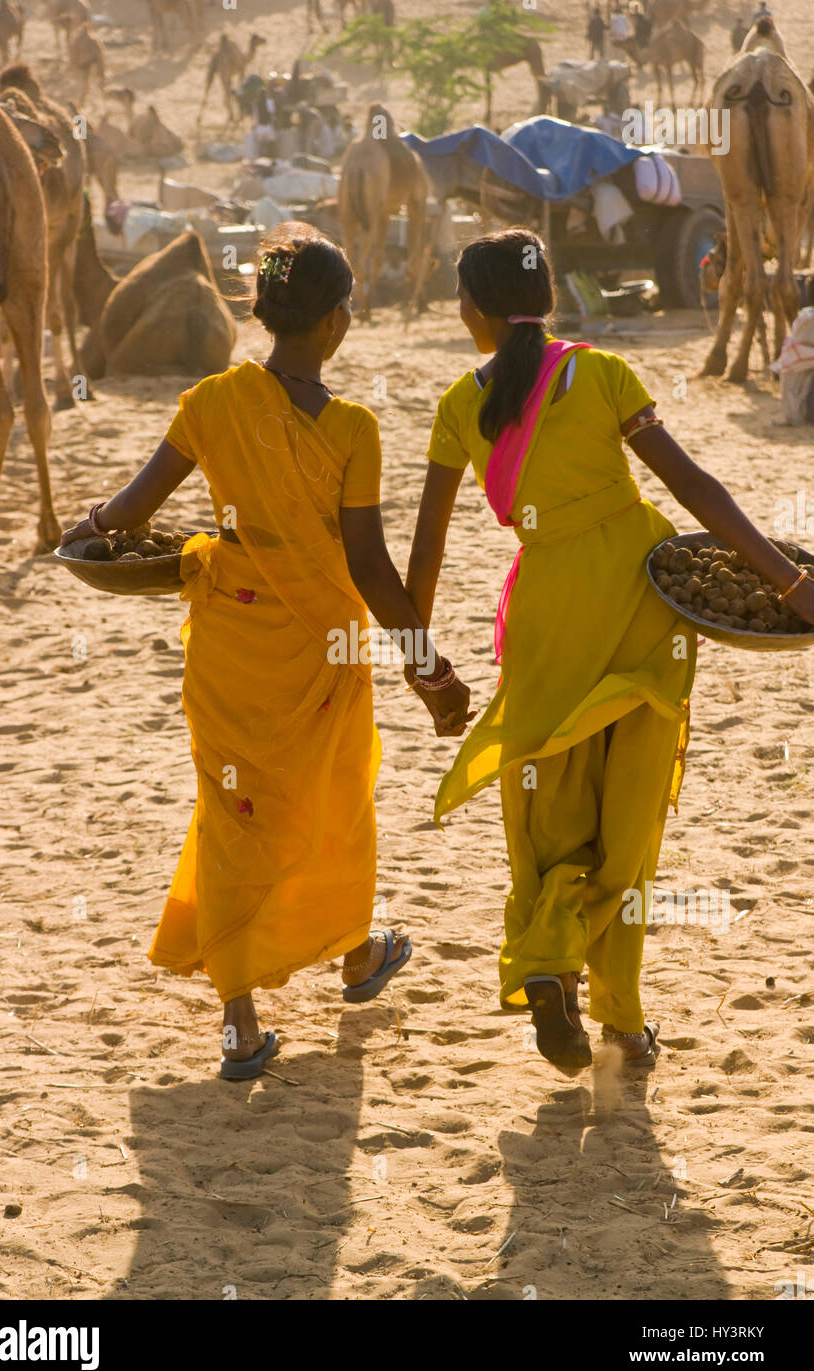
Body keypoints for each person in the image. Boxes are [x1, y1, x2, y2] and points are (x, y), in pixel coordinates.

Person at [59, 224, 471, 1081]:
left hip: (229, 641)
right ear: (335, 321)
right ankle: (354, 954)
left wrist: (86, 526)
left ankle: (242, 1021)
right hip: (324, 645)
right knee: (334, 797)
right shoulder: (353, 427)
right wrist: (426, 664)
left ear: (264, 311)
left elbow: (133, 510)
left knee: (234, 812)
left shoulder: (212, 402)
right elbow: (370, 566)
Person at [405, 227, 814, 1076]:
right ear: (547, 300)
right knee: (628, 819)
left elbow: (428, 549)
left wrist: (423, 657)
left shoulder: (456, 406)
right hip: (642, 600)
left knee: (549, 807)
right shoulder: (601, 374)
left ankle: (549, 963)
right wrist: (787, 580)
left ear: (475, 311)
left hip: (548, 616)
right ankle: (621, 1018)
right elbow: (692, 485)